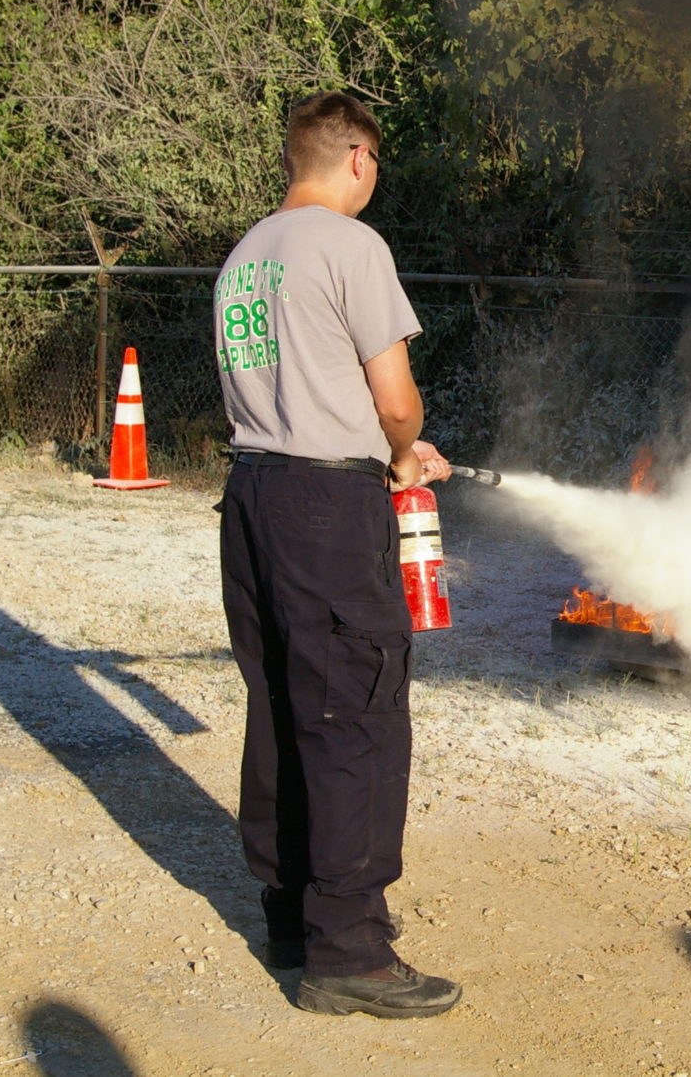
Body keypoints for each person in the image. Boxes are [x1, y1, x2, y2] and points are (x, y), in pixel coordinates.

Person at [214, 91, 460, 1019]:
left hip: (252, 497)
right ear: (356, 157)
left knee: (280, 700)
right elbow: (395, 401)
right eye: (377, 165)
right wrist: (403, 453)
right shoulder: (352, 247)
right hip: (327, 502)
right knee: (355, 707)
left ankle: (291, 916)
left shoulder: (245, 256)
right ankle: (350, 951)